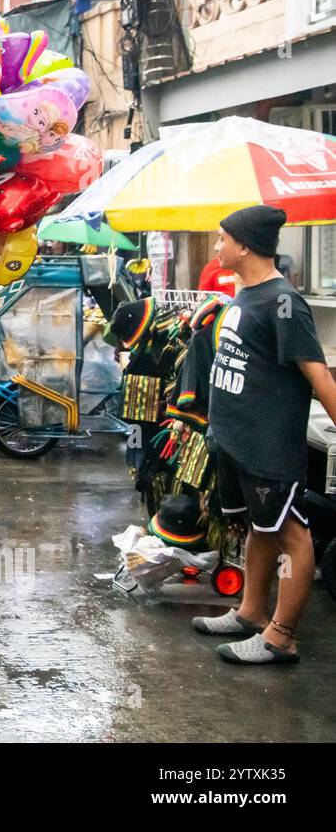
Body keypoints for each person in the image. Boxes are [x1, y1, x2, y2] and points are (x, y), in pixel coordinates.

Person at [193, 206, 336, 665]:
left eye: (222, 239)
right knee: (261, 528)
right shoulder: (247, 295)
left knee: (293, 535)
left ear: (245, 245)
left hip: (270, 447)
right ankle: (252, 614)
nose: (217, 248)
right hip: (238, 443)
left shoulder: (283, 301)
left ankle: (282, 636)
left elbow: (319, 376)